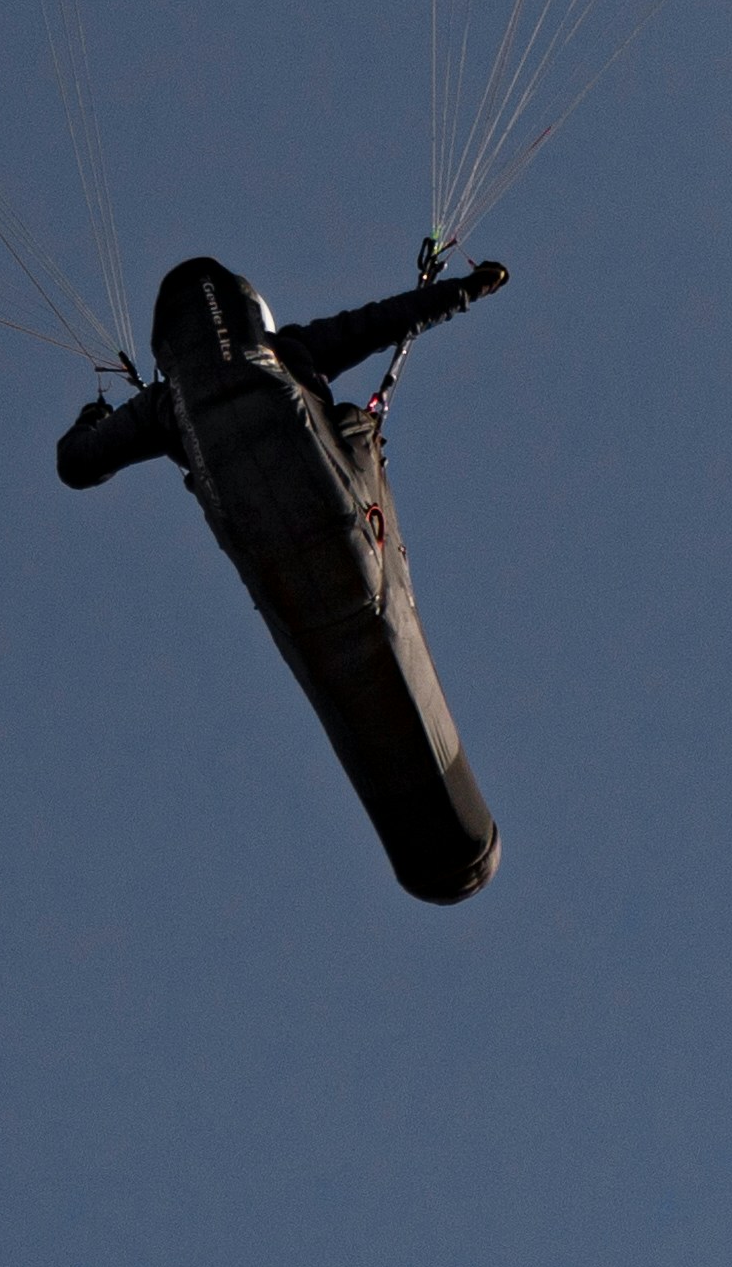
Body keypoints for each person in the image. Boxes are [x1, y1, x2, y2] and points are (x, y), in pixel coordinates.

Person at [59, 252, 514, 903]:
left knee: (344, 681)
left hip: (285, 584)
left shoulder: (165, 407)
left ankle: (437, 840)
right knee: (356, 440)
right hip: (348, 542)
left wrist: (91, 422)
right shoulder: (287, 351)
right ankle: (454, 835)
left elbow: (76, 466)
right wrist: (465, 290)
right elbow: (384, 321)